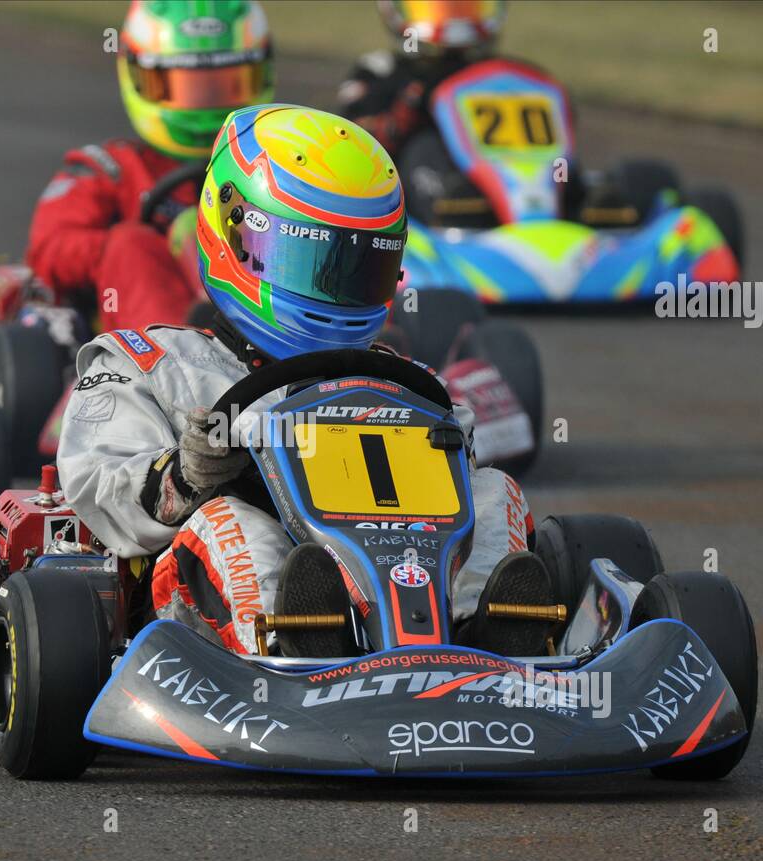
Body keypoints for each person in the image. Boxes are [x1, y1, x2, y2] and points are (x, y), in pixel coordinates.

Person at [56, 104, 554, 659]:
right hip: (199, 624)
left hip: (396, 585)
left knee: (493, 492)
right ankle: (296, 647)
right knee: (232, 523)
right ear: (235, 232)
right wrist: (185, 476)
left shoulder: (405, 381)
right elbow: (96, 490)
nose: (333, 291)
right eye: (308, 262)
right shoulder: (154, 365)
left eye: (354, 269)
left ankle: (489, 643)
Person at [23, 0, 273, 333]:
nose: (205, 105)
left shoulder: (275, 166)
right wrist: (150, 242)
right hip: (145, 338)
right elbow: (48, 251)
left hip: (262, 326)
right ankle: (179, 357)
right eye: (187, 88)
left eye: (223, 86)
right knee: (130, 244)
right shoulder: (111, 169)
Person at [337, 0, 507, 157]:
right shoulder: (380, 71)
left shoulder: (499, 74)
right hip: (414, 174)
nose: (451, 20)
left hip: (498, 168)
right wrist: (408, 108)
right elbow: (353, 141)